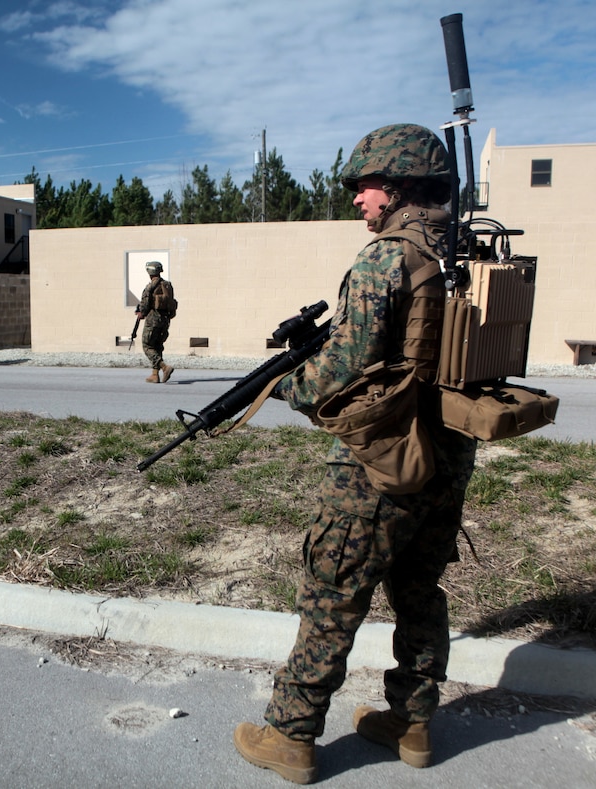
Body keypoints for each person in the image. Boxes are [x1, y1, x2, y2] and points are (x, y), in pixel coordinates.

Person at [232, 123, 478, 784]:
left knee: (332, 590)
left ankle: (290, 734)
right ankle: (413, 721)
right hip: (449, 450)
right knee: (419, 587)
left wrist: (290, 385)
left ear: (397, 184)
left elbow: (343, 366)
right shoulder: (460, 248)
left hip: (383, 459)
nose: (356, 200)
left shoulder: (386, 258)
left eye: (364, 185)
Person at [135, 261, 175, 383]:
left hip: (153, 320)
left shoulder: (151, 286)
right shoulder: (167, 285)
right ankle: (154, 374)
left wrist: (141, 313)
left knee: (147, 345)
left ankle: (164, 367)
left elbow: (145, 305)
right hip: (164, 320)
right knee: (157, 346)